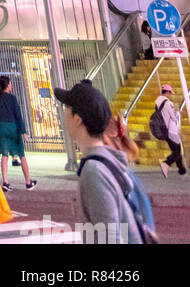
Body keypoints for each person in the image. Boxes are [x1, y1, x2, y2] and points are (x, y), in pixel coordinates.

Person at [57, 79, 151, 244]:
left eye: (67, 108)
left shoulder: (94, 172)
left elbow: (110, 239)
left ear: (78, 119)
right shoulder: (108, 161)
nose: (64, 114)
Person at [0, 74, 36, 191]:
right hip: (13, 127)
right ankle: (28, 182)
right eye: (10, 83)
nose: (11, 85)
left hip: (2, 127)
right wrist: (23, 131)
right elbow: (18, 115)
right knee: (21, 155)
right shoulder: (12, 98)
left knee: (5, 155)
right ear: (7, 86)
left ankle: (5, 182)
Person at [153, 83, 185, 177]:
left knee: (176, 150)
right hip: (171, 131)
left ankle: (182, 170)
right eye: (170, 93)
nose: (170, 95)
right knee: (177, 151)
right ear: (166, 92)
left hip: (163, 130)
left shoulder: (157, 102)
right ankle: (166, 163)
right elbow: (174, 118)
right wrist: (179, 113)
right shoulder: (168, 103)